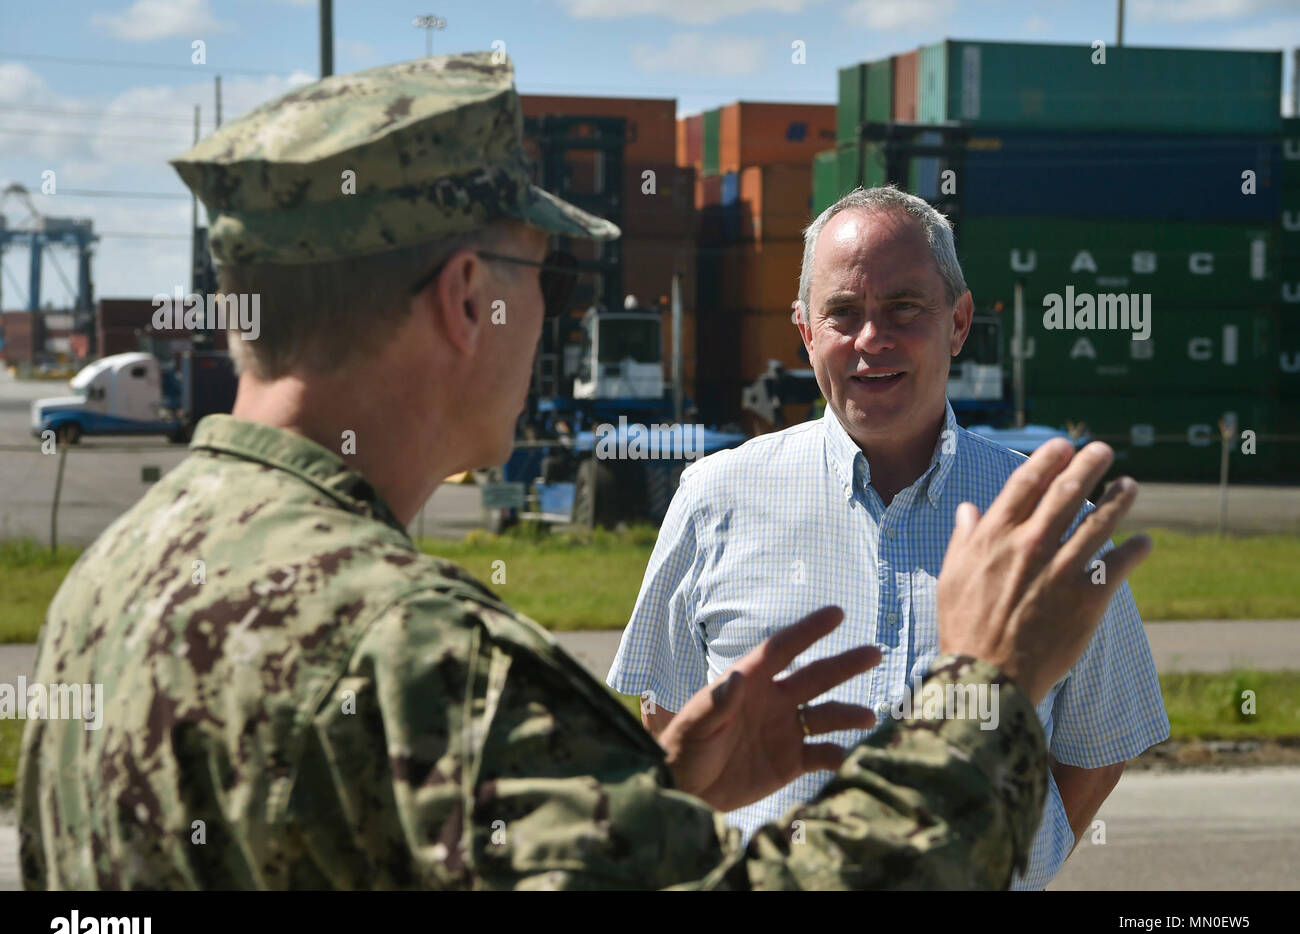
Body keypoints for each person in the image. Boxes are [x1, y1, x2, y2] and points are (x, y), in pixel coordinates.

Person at [19, 54, 1150, 891]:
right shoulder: (417, 657)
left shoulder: (114, 576)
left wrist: (626, 803)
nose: (549, 306)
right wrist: (980, 694)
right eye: (537, 269)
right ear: (468, 298)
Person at [608, 186, 1169, 889]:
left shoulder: (1048, 528)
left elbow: (1093, 751)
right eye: (842, 313)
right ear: (806, 331)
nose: (872, 339)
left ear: (959, 322)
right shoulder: (714, 497)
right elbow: (669, 717)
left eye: (905, 308)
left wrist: (998, 866)